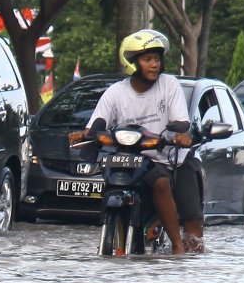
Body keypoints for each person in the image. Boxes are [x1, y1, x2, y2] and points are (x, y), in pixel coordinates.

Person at [74, 29, 201, 254]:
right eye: (147, 59)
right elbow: (98, 123)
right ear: (132, 62)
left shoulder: (169, 84)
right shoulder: (115, 93)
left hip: (171, 156)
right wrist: (85, 134)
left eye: (157, 59)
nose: (154, 65)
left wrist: (180, 134)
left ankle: (179, 248)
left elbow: (181, 121)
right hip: (131, 159)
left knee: (189, 217)